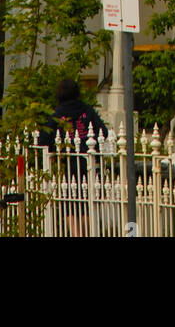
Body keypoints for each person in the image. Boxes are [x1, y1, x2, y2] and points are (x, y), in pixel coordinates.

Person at [38, 77, 109, 237]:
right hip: (87, 163)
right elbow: (103, 132)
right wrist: (95, 149)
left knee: (69, 203)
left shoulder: (58, 114)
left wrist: (55, 153)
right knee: (85, 204)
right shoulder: (87, 110)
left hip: (67, 164)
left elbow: (43, 140)